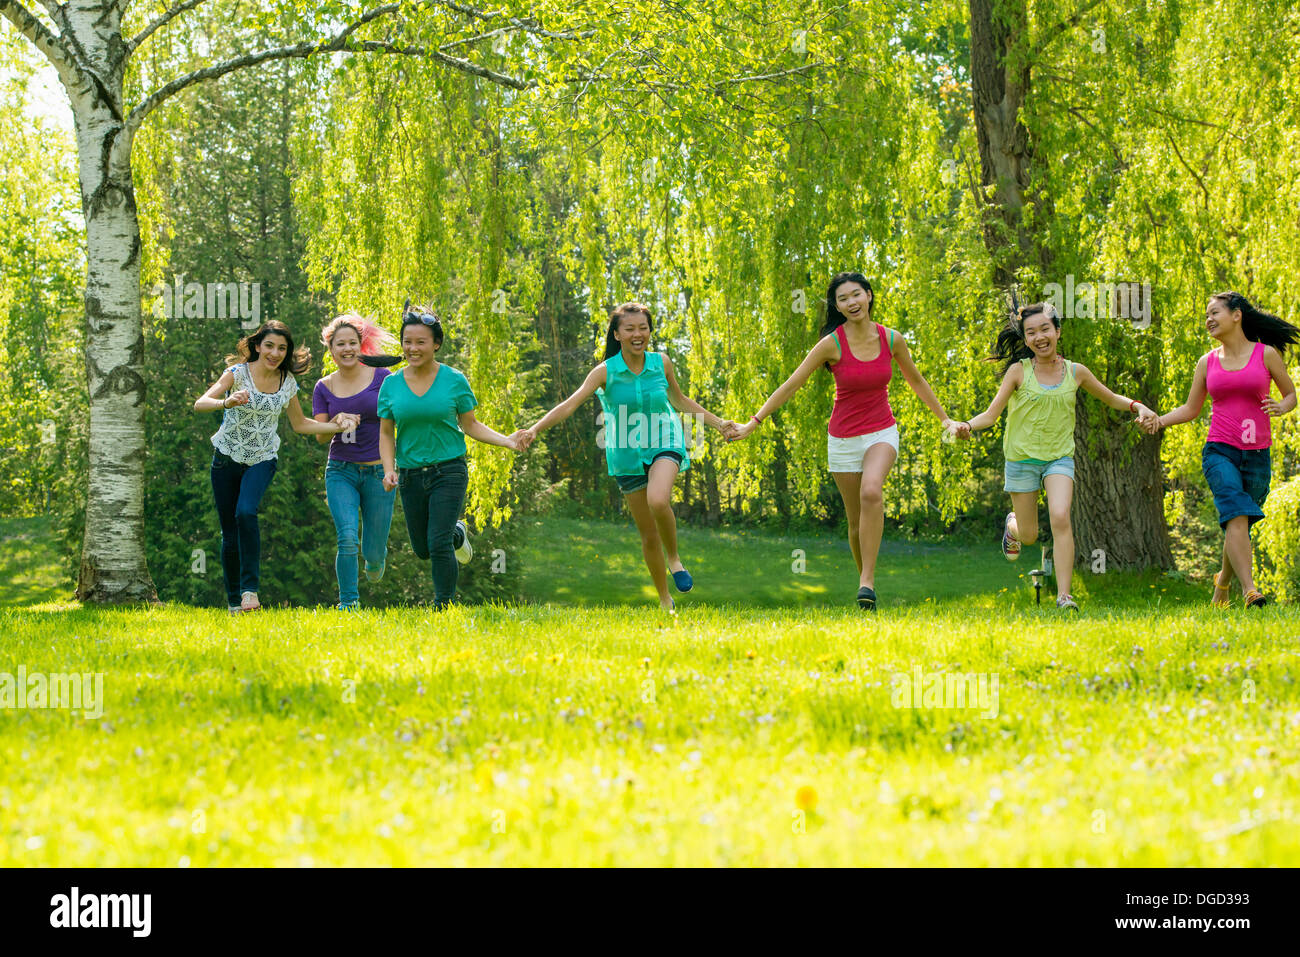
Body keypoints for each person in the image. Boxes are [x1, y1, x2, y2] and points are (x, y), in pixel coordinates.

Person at [727, 272, 956, 611]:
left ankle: (868, 581)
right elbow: (792, 384)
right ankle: (865, 587)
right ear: (837, 306)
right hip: (843, 439)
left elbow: (917, 381)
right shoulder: (831, 344)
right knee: (853, 523)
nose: (852, 302)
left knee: (871, 491)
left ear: (869, 295)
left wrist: (945, 419)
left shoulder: (892, 340)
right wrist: (754, 422)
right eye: (843, 299)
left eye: (856, 295)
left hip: (882, 431)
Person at [521, 302, 732, 611]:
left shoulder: (662, 363)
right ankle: (664, 599)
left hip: (664, 440)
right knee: (648, 534)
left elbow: (680, 400)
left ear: (649, 331)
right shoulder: (605, 372)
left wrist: (719, 424)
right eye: (630, 329)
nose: (638, 334)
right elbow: (570, 404)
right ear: (617, 334)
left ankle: (675, 559)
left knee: (658, 500)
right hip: (626, 452)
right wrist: (535, 429)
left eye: (643, 328)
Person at [954, 302, 1156, 612]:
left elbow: (1111, 397)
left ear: (1058, 332)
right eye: (1031, 332)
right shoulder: (1018, 372)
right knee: (1031, 535)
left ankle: (1064, 596)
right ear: (1025, 340)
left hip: (1059, 459)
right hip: (1021, 459)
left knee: (1061, 517)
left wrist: (1137, 406)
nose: (1039, 336)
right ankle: (1014, 528)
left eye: (1045, 329)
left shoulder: (1076, 372)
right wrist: (967, 425)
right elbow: (992, 415)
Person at [1144, 291, 1297, 608]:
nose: (1209, 320)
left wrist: (1282, 406)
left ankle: (1222, 585)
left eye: (1215, 313)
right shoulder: (1207, 362)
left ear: (1237, 314)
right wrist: (1159, 421)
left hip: (1258, 455)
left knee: (1238, 523)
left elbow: (1291, 394)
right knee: (1236, 513)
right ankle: (1250, 591)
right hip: (1220, 451)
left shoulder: (1265, 355)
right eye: (1206, 316)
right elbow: (1190, 409)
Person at [195, 320, 358, 613]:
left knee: (246, 511)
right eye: (269, 345)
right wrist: (226, 403)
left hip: (263, 459)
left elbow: (300, 424)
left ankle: (249, 592)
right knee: (229, 533)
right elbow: (201, 403)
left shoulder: (287, 383)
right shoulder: (237, 374)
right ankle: (234, 602)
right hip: (225, 458)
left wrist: (337, 425)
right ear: (257, 346)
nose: (275, 353)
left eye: (282, 348)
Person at [378, 305, 526, 609]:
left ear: (436, 344)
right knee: (422, 548)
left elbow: (470, 425)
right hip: (409, 474)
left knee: (437, 542)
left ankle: (443, 604)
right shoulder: (390, 384)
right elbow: (385, 433)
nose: (413, 348)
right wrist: (389, 470)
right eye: (408, 341)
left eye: (421, 342)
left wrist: (507, 441)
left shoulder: (454, 380)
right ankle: (459, 534)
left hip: (449, 471)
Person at [312, 314, 402, 611]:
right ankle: (348, 603)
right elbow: (320, 437)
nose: (347, 349)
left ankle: (376, 559)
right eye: (341, 344)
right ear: (331, 349)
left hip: (378, 471)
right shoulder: (323, 387)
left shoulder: (383, 378)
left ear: (361, 346)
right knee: (347, 537)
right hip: (341, 471)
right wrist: (335, 423)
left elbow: (398, 418)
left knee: (372, 550)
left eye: (353, 343)